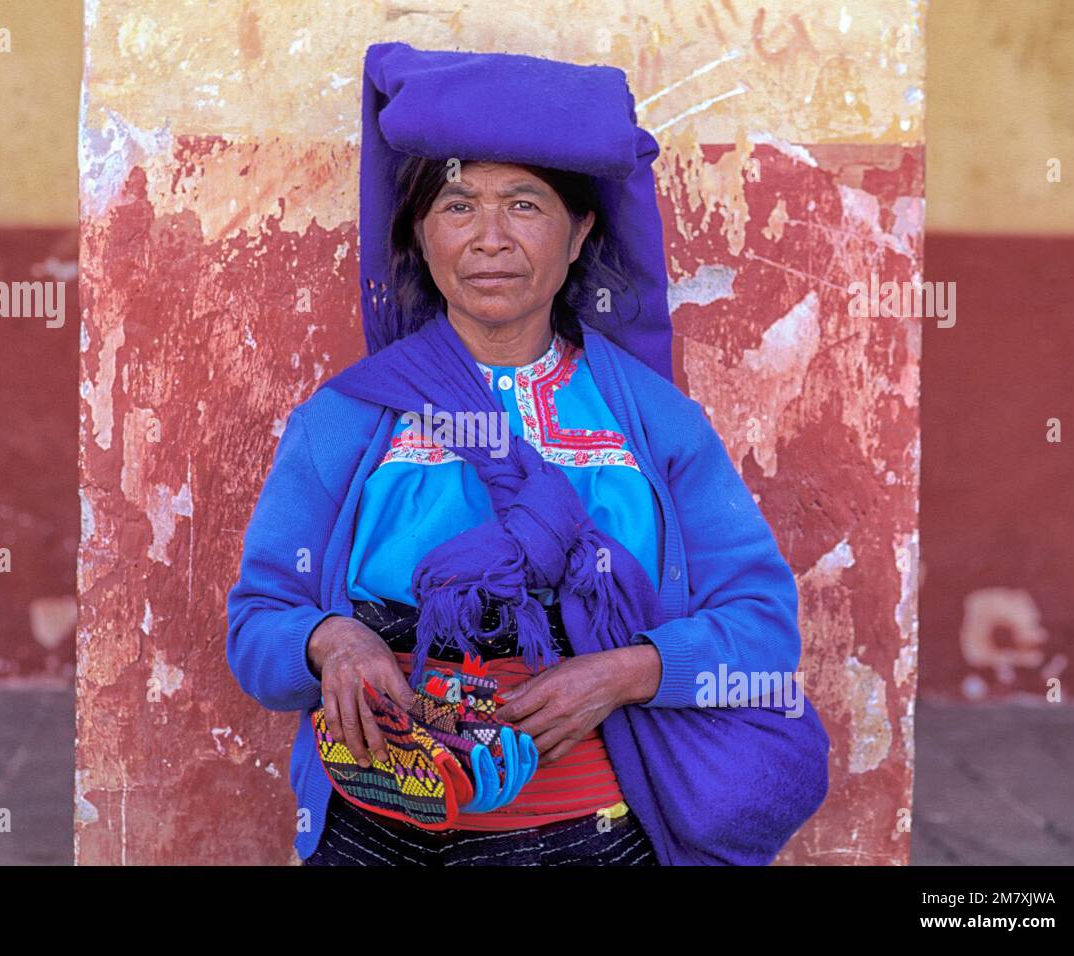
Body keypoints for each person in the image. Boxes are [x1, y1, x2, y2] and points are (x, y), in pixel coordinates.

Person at [226, 41, 830, 866]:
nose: (490, 239)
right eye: (457, 206)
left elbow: (762, 627)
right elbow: (260, 624)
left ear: (580, 232)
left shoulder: (655, 424)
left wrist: (625, 672)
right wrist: (331, 640)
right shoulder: (348, 419)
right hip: (370, 837)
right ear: (419, 233)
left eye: (524, 205)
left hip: (595, 839)